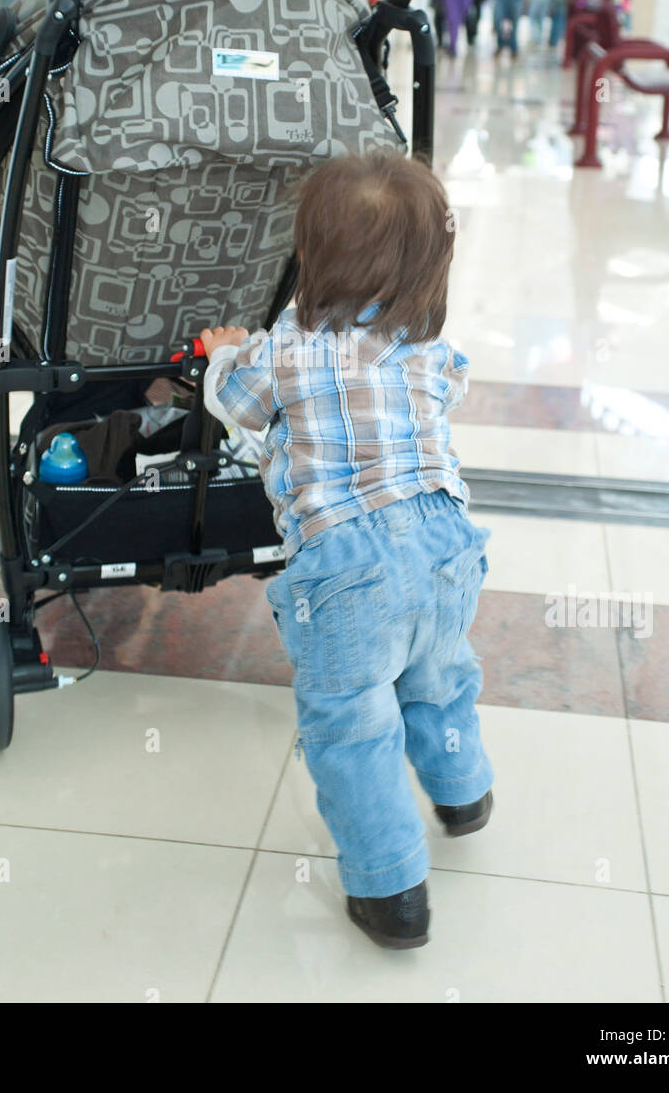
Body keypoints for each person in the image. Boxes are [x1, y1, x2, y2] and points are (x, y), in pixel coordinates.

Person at [199, 150, 493, 950]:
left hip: (347, 568)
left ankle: (391, 891)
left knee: (354, 728)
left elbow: (236, 403)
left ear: (310, 255)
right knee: (439, 678)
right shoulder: (428, 349)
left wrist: (226, 349)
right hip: (446, 545)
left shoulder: (283, 351)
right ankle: (464, 793)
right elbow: (447, 386)